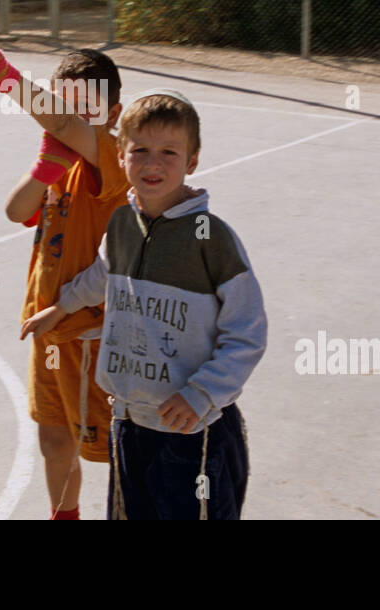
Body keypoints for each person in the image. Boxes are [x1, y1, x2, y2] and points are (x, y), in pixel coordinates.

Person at [24, 90, 267, 520]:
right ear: (121, 156)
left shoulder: (214, 239)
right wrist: (60, 309)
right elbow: (102, 274)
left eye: (169, 152)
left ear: (192, 161)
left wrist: (202, 393)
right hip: (129, 421)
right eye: (140, 151)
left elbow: (247, 332)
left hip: (191, 429)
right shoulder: (122, 223)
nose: (153, 163)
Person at [0, 34, 128, 520]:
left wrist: (4, 78)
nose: (62, 115)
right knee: (54, 438)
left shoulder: (113, 160)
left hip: (96, 332)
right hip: (47, 330)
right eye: (59, 101)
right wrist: (45, 165)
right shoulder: (62, 168)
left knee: (118, 446)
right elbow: (16, 211)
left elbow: (68, 125)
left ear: (113, 114)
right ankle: (64, 513)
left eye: (79, 107)